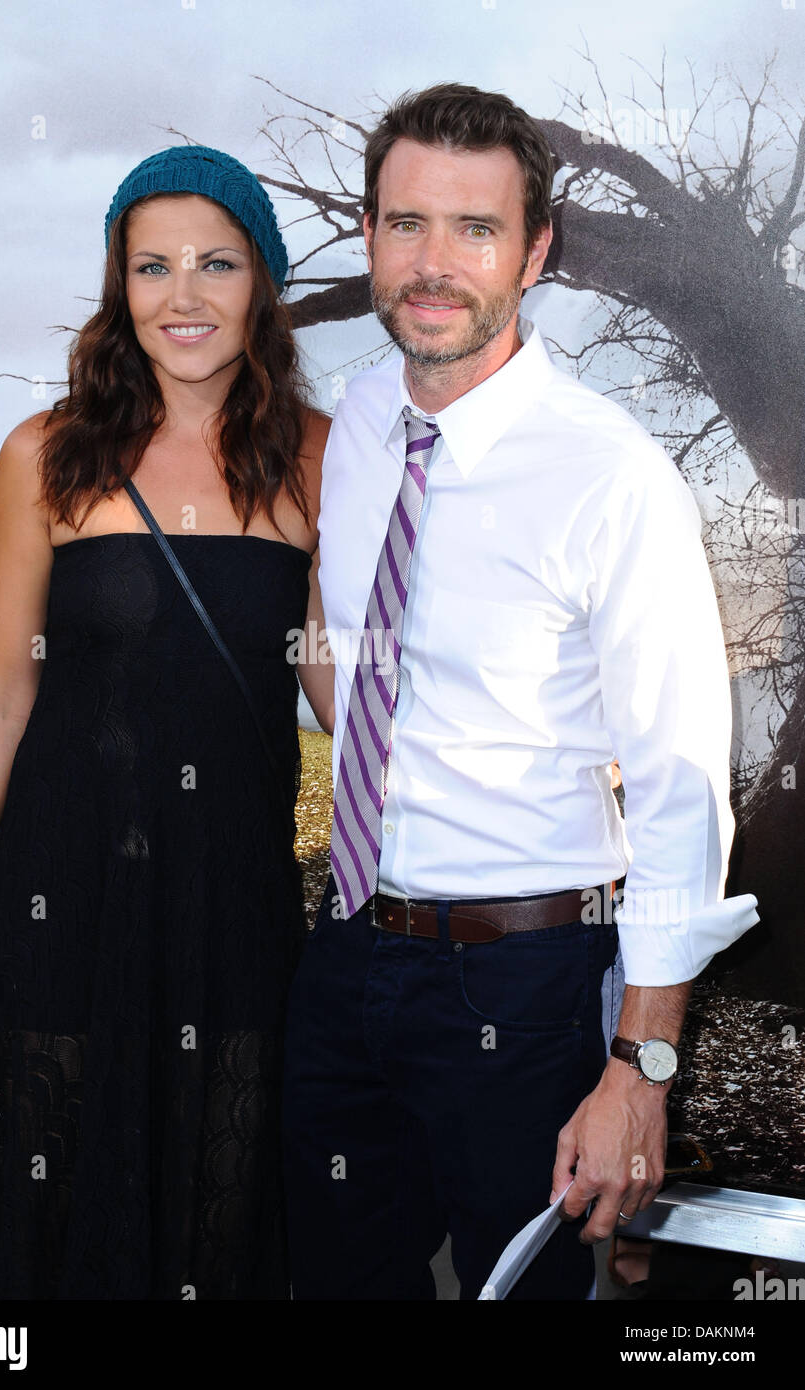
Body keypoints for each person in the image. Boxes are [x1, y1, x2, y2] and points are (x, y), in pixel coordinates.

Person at [281, 83, 760, 1301]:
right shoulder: (360, 422)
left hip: (520, 983)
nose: (431, 263)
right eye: (403, 224)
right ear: (370, 234)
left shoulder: (611, 477)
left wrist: (638, 1067)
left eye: (473, 228)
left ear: (532, 251)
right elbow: (350, 657)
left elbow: (677, 791)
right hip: (341, 955)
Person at [0, 144, 334, 1300]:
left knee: (222, 1221)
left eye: (216, 263)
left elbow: (332, 684)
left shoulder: (317, 457)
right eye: (151, 266)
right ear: (119, 285)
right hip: (65, 908)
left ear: (262, 279)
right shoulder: (44, 457)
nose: (183, 297)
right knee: (47, 1233)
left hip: (233, 912)